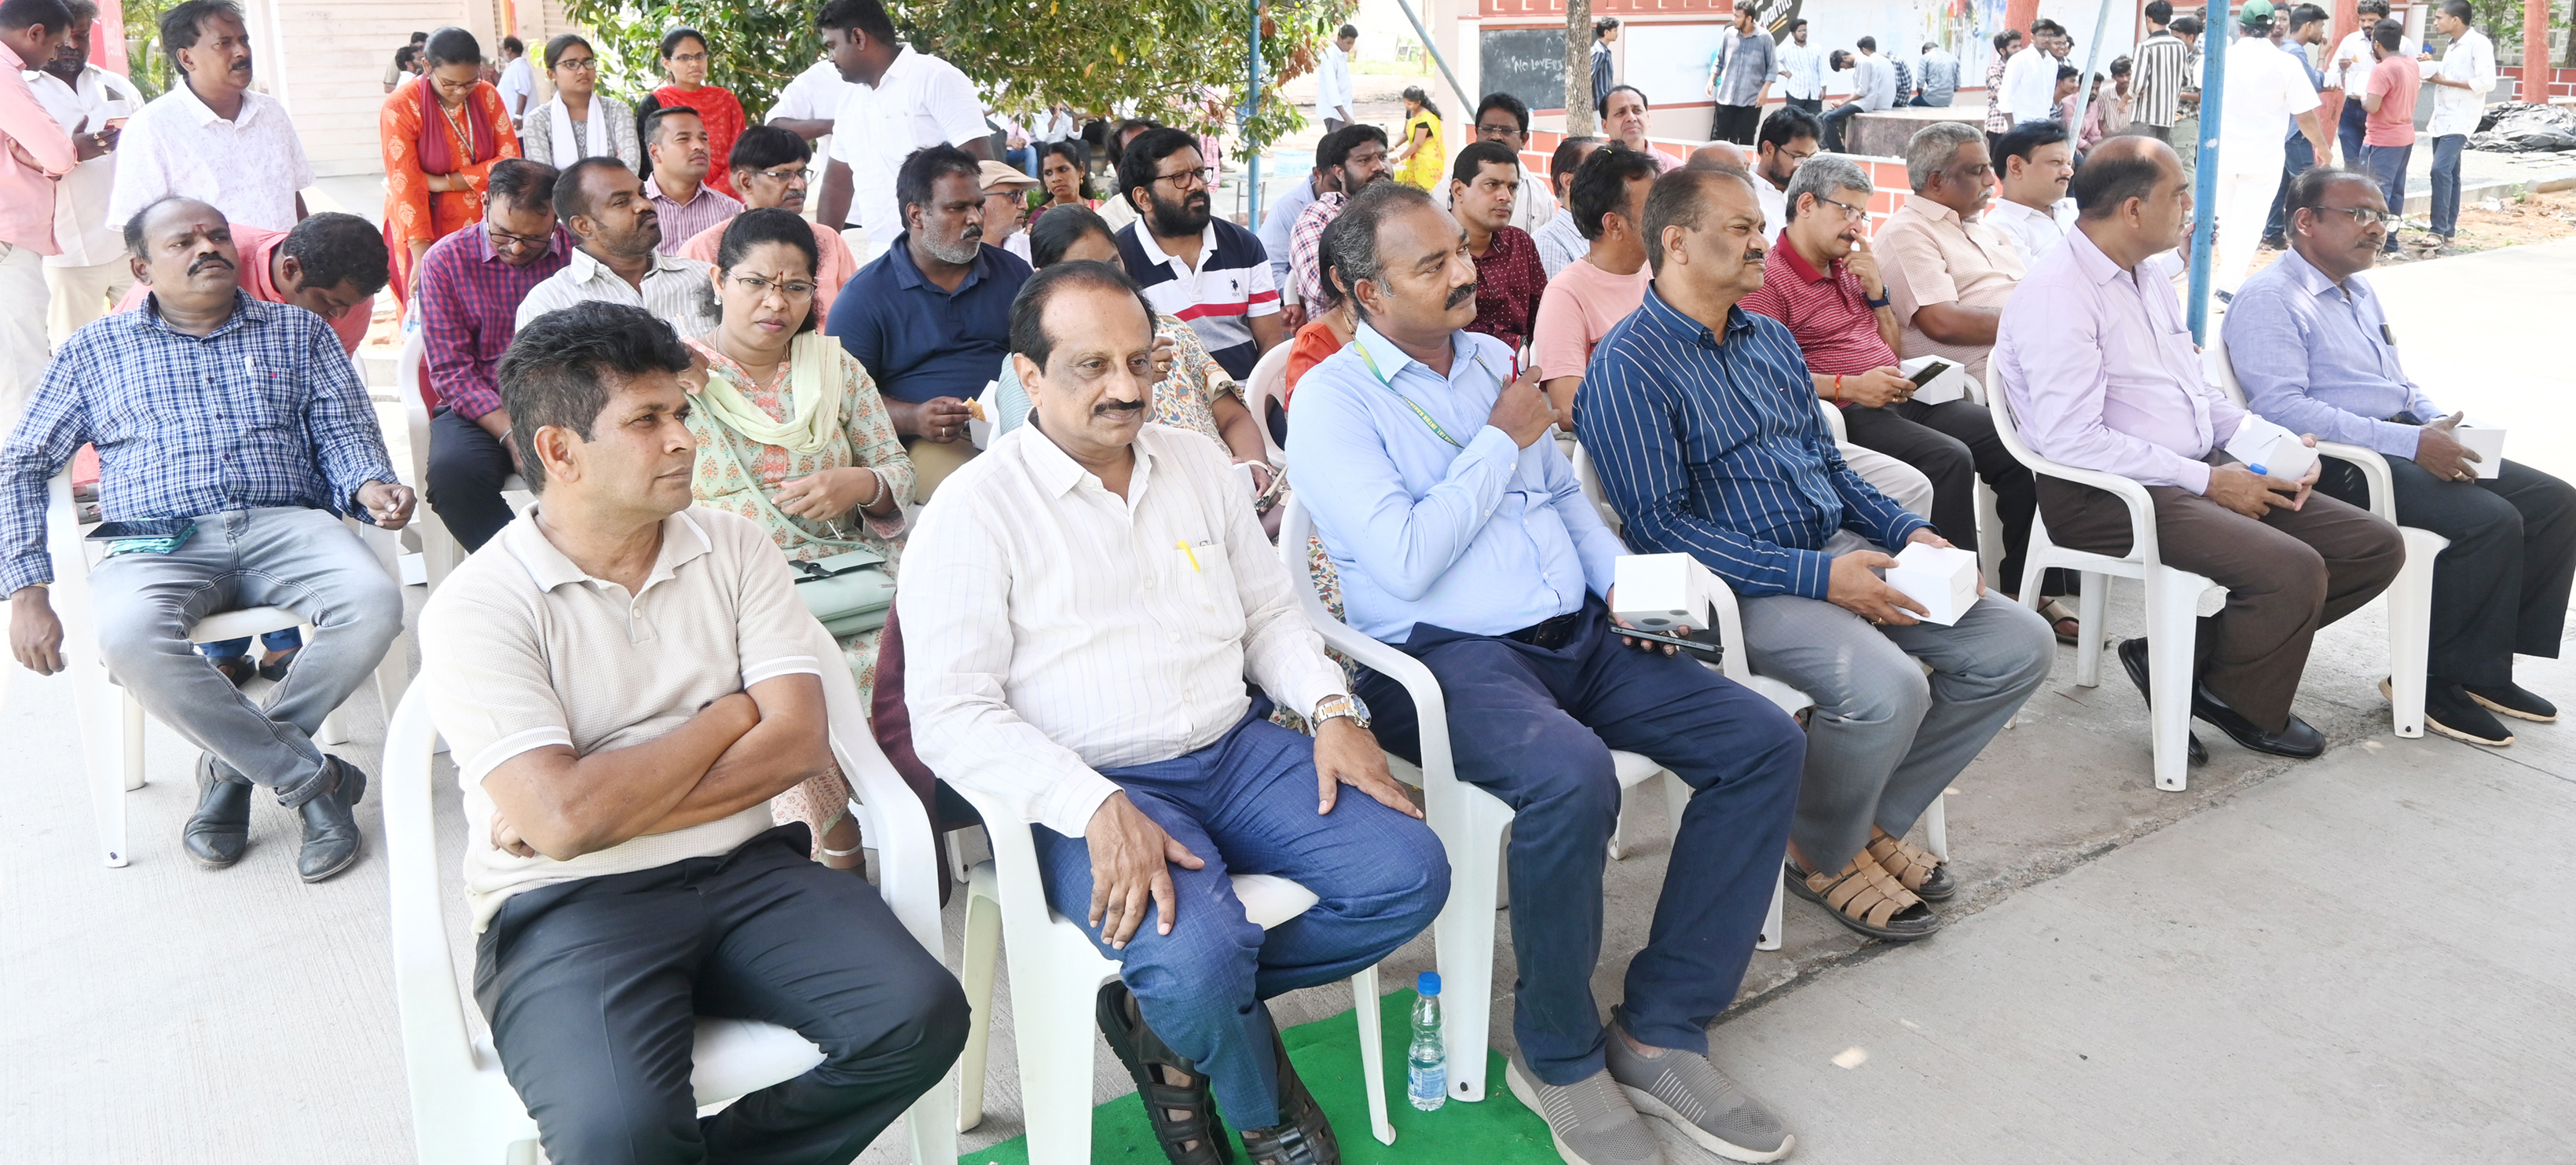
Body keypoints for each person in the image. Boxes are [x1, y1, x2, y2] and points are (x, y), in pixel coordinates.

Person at [1294, 180, 1805, 1165]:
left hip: (1575, 631)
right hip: (1436, 661)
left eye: (1461, 253)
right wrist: (1501, 437)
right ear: (1365, 291)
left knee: (1761, 740)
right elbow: (1403, 559)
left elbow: (1566, 515)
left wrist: (1643, 605)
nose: (1465, 274)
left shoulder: (1492, 357)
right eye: (1431, 265)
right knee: (1569, 778)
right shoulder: (1330, 401)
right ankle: (1559, 1053)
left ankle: (1661, 1023)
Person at [904, 255, 1444, 1165]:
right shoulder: (974, 509)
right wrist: (1091, 807)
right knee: (1193, 955)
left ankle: (1168, 1018)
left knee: (1410, 871)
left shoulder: (1196, 462)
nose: (1126, 388)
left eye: (1141, 361)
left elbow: (1271, 614)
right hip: (1092, 782)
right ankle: (1264, 1110)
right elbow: (950, 714)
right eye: (1091, 367)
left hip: (1233, 751)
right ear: (1028, 376)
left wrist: (1331, 710)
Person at [416, 300, 966, 1163]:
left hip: (747, 872)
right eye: (647, 420)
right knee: (617, 1133)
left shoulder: (733, 545)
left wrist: (594, 796)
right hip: (565, 909)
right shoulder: (478, 606)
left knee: (921, 1017)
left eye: (680, 410)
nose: (683, 437)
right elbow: (565, 825)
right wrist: (725, 716)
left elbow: (793, 743)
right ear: (559, 451)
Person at [1582, 165, 2054, 945]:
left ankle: (1864, 819)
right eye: (1740, 228)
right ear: (1677, 241)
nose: (1760, 242)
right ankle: (1819, 851)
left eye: (1758, 227)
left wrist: (1907, 532)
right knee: (1887, 687)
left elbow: (1831, 469)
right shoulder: (1629, 366)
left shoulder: (1767, 338)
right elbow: (1659, 530)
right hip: (1733, 591)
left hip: (1830, 547)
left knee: (2017, 643)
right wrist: (1823, 579)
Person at [5, 196, 411, 881]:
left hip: (286, 523)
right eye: (183, 241)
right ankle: (311, 781)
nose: (208, 248)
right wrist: (26, 588)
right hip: (156, 540)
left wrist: (372, 486)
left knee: (374, 602)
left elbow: (346, 439)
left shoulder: (300, 334)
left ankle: (231, 770)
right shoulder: (94, 350)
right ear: (141, 266)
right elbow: (20, 461)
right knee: (128, 637)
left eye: (217, 235)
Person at [1996, 137, 2403, 761]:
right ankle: (2239, 697)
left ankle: (2181, 661)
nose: (2190, 204)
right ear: (2133, 209)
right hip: (2104, 494)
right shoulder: (2059, 292)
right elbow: (2069, 440)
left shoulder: (2146, 275)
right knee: (2291, 570)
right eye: (2178, 193)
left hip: (2185, 472)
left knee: (2371, 547)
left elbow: (2196, 394)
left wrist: (2270, 445)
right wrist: (2209, 482)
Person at [2224, 167, 2570, 746]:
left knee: (2554, 503)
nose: (2376, 229)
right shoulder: (2271, 300)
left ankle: (2484, 669)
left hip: (2398, 439)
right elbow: (2283, 411)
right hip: (2339, 464)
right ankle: (2432, 681)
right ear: (2304, 221)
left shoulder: (2357, 289)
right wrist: (2411, 442)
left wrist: (2433, 422)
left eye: (2381, 216)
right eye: (2358, 215)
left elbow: (2396, 384)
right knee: (2488, 522)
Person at [675, 208, 913, 864]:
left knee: (902, 659)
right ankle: (837, 844)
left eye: (797, 286)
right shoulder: (675, 374)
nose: (776, 303)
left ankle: (909, 817)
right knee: (789, 686)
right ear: (719, 281)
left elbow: (897, 470)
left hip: (847, 578)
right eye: (755, 283)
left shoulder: (835, 369)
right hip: (728, 589)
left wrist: (858, 485)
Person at [1742, 154, 2044, 615]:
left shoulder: (1850, 264)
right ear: (1806, 204)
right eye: (1847, 211)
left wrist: (1878, 293)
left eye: (1863, 213)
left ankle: (2028, 587)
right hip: (1843, 408)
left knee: (2011, 443)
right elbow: (1764, 372)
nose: (1857, 225)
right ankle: (1956, 595)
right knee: (1949, 459)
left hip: (1896, 391)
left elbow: (1887, 345)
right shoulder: (1772, 277)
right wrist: (1850, 387)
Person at [827, 145, 1028, 500]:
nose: (976, 219)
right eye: (957, 208)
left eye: (978, 205)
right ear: (917, 215)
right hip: (927, 444)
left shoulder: (1012, 273)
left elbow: (1048, 353)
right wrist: (914, 417)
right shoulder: (864, 297)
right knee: (990, 493)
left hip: (1022, 426)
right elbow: (843, 402)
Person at [414, 158, 570, 553]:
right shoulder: (444, 260)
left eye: (535, 238)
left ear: (557, 219)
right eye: (503, 233)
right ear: (484, 203)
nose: (517, 248)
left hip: (566, 396)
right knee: (454, 479)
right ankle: (527, 568)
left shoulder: (577, 252)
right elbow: (451, 372)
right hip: (480, 402)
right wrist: (509, 433)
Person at [108, 0, 313, 234]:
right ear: (187, 59)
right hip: (214, 270)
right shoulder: (152, 127)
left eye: (244, 40)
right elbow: (138, 228)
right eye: (223, 43)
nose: (243, 52)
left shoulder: (271, 111)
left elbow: (293, 194)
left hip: (284, 265)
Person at [813, 0, 991, 263]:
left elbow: (984, 167)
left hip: (945, 258)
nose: (830, 58)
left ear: (859, 37)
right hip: (882, 258)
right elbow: (836, 184)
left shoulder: (935, 77)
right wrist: (822, 256)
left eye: (832, 45)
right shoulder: (849, 100)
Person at [1113, 127, 1281, 379]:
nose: (1197, 185)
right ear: (1144, 198)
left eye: (1200, 173)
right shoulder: (1119, 260)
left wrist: (1257, 405)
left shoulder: (1243, 244)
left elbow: (1272, 345)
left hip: (1252, 396)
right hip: (1171, 409)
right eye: (1180, 176)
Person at [112, 207, 382, 356]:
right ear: (290, 269)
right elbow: (126, 353)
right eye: (329, 302)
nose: (340, 316)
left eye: (352, 304)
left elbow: (327, 389)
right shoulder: (210, 265)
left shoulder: (351, 294)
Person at [27, 0, 142, 345]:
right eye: (65, 38)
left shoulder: (119, 86)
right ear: (43, 35)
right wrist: (71, 152)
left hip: (129, 247)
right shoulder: (22, 91)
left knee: (150, 341)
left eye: (82, 35)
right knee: (72, 350)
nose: (74, 46)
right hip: (64, 256)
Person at [379, 27, 522, 303]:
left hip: (485, 226)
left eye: (469, 82)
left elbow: (510, 162)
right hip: (423, 226)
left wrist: (444, 182)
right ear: (427, 66)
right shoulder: (401, 106)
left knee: (489, 310)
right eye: (449, 83)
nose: (460, 91)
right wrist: (422, 254)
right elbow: (406, 184)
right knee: (431, 315)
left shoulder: (487, 94)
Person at [516, 158, 717, 336]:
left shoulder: (704, 278)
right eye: (621, 202)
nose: (644, 205)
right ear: (584, 226)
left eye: (643, 193)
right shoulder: (549, 304)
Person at [2211, 0, 2329, 296]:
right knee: (2250, 221)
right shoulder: (2286, 63)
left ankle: (2228, 276)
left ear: (2240, 27)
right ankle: (2230, 280)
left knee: (2223, 216)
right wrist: (2323, 148)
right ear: (2274, 27)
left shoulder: (2221, 57)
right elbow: (2305, 116)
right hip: (2263, 157)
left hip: (2221, 153)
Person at [1533, 144, 1659, 416]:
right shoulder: (1565, 295)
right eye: (1654, 207)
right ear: (1614, 224)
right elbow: (1569, 409)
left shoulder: (1662, 274)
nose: (1667, 217)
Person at [680, 126, 859, 316]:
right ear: (746, 181)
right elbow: (694, 326)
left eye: (802, 173)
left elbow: (856, 313)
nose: (798, 185)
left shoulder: (828, 240)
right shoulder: (702, 249)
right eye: (782, 175)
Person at [1446, 141, 1546, 354]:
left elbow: (1543, 319)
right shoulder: (1432, 247)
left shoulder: (1521, 244)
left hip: (1521, 368)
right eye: (1492, 185)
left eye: (1512, 187)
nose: (1506, 197)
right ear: (1458, 190)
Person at [632, 27, 746, 200]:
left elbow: (742, 154)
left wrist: (713, 196)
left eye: (700, 56)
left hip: (729, 198)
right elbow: (649, 162)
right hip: (672, 199)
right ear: (666, 63)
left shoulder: (726, 100)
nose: (694, 64)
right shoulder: (655, 103)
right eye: (684, 58)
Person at [2421, 0, 2494, 254]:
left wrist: (2444, 79)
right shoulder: (2452, 46)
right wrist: (2433, 66)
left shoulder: (2479, 43)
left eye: (2439, 18)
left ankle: (2436, 229)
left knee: (2439, 170)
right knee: (2451, 173)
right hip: (2442, 117)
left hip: (2461, 118)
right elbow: (2451, 75)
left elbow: (2487, 82)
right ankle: (2448, 231)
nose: (2435, 22)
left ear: (2455, 20)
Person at [2260, 4, 2332, 249]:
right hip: (2296, 131)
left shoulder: (2284, 51)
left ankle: (2272, 233)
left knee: (2280, 186)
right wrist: (2323, 56)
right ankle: (2308, 236)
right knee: (2310, 185)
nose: (2321, 32)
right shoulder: (2297, 53)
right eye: (2320, 26)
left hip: (2283, 130)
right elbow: (2313, 86)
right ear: (2309, 25)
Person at [519, 34, 640, 172]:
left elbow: (631, 169)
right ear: (552, 74)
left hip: (617, 194)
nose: (583, 71)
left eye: (588, 62)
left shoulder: (617, 111)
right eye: (571, 64)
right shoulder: (538, 121)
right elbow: (543, 179)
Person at [635, 105, 744, 258]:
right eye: (683, 139)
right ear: (655, 152)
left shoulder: (731, 211)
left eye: (703, 139)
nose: (699, 146)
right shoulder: (633, 209)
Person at [1447, 92, 1560, 235]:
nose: (1496, 136)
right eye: (1488, 129)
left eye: (1506, 131)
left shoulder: (1539, 193)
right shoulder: (1451, 185)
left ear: (1524, 139)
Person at [2354, 20, 2420, 258]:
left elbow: (2372, 106)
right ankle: (2390, 240)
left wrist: (2362, 97)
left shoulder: (2382, 70)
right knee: (2396, 191)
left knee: (2374, 192)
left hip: (2382, 139)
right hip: (2405, 136)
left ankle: (2375, 242)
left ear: (2377, 44)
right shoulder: (2411, 64)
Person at [2325, 0, 2406, 168]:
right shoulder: (2350, 41)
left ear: (2386, 18)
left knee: (2377, 165)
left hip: (2382, 107)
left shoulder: (2402, 44)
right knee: (2353, 163)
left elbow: (2411, 76)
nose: (2366, 24)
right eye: (2362, 20)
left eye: (2372, 20)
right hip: (2352, 108)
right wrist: (2340, 68)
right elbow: (2332, 73)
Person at [1987, 120, 2075, 264]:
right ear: (2016, 167)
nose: (2069, 172)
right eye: (2056, 162)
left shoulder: (2078, 209)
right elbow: (2038, 283)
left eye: (2069, 164)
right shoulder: (1999, 228)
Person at [1529, 135, 1603, 277]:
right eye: (1598, 170)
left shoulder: (1608, 233)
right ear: (1568, 181)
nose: (1611, 178)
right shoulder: (1549, 243)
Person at [1706, 4, 1775, 145]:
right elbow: (1720, 60)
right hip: (1726, 97)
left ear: (1749, 18)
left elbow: (1773, 68)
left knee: (1746, 138)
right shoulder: (1729, 34)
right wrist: (1711, 80)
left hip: (1751, 100)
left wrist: (1765, 91)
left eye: (1737, 16)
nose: (1733, 19)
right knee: (1719, 137)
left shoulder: (1765, 38)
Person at [1750, 105, 1821, 236]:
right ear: (1769, 149)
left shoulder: (1812, 193)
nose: (1805, 166)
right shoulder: (1743, 194)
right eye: (1798, 157)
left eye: (1811, 157)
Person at [1820, 38, 1895, 153]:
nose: (1845, 68)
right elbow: (1857, 91)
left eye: (1842, 66)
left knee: (1829, 119)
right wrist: (1841, 102)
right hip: (1859, 102)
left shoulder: (1863, 62)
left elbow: (1862, 92)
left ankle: (1839, 151)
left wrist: (1842, 103)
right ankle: (1827, 148)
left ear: (1845, 58)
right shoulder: (1859, 62)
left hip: (1864, 103)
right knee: (1821, 117)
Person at [764, 53, 851, 145]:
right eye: (830, 47)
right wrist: (833, 126)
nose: (831, 57)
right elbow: (774, 129)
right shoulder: (820, 75)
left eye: (833, 45)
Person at [1599, 84, 1678, 171]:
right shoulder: (1595, 170)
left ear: (1648, 118)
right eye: (1621, 112)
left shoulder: (1675, 169)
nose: (1632, 118)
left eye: (1637, 111)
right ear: (1605, 125)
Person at [977, 158, 1037, 262]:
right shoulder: (955, 258)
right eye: (1014, 195)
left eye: (1023, 195)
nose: (1024, 205)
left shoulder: (1031, 248)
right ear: (981, 200)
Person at [1387, 86, 1446, 192]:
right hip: (1414, 155)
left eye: (1409, 104)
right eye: (1405, 102)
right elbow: (1405, 132)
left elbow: (1418, 143)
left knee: (1424, 190)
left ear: (1418, 102)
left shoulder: (1425, 118)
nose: (1406, 106)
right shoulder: (1410, 111)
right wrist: (1393, 147)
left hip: (1426, 159)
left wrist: (1399, 159)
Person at [1984, 29, 2025, 144]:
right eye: (2014, 47)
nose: (2019, 50)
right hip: (1999, 125)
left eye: (2020, 46)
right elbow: (2004, 95)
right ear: (2003, 51)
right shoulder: (1995, 70)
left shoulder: (2023, 68)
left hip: (2020, 124)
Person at [1317, 23, 1356, 134]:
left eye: (1352, 44)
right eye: (1348, 43)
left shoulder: (1341, 55)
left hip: (1344, 111)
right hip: (1335, 112)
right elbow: (1332, 89)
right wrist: (1345, 116)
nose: (1350, 47)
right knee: (1337, 147)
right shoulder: (1329, 56)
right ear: (1339, 38)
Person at [494, 35, 531, 127]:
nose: (499, 52)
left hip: (519, 123)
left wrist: (518, 116)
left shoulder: (519, 67)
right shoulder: (513, 66)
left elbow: (523, 92)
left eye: (501, 49)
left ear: (509, 50)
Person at [1916, 38, 1960, 106]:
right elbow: (1957, 87)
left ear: (1926, 50)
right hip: (1948, 101)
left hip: (1930, 99)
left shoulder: (1925, 58)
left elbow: (1920, 84)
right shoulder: (1954, 58)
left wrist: (1921, 91)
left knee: (1911, 106)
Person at [384, 28, 425, 93]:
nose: (423, 51)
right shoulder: (410, 82)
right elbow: (388, 87)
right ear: (409, 64)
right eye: (420, 48)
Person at [1591, 16, 1619, 109]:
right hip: (1599, 105)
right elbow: (1589, 77)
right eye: (1615, 31)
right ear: (1607, 32)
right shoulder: (1599, 52)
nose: (1617, 34)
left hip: (1606, 103)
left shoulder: (1605, 51)